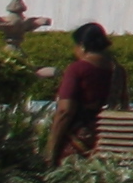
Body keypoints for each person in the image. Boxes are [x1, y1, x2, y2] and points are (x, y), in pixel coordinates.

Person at [44, 23, 126, 164]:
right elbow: (124, 104)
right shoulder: (118, 71)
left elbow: (65, 111)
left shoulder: (78, 69)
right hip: (107, 137)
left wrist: (51, 148)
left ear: (82, 45)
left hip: (78, 139)